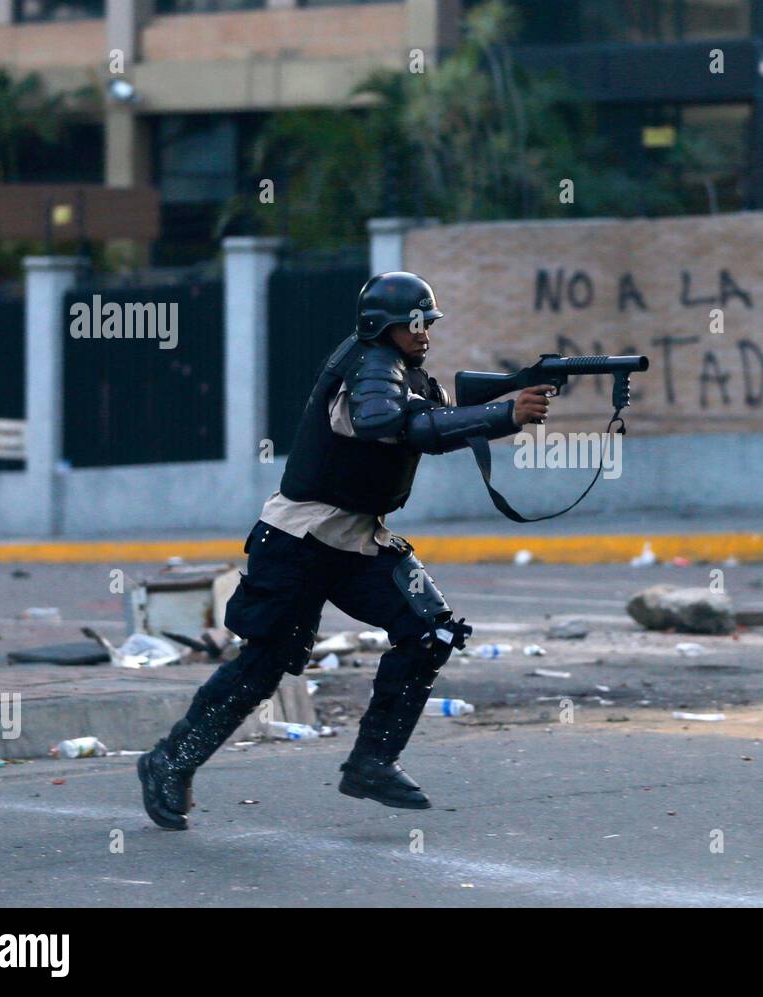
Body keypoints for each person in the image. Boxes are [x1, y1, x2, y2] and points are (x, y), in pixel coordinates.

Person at [138, 272, 555, 828]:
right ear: (383, 326)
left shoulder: (401, 371)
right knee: (262, 665)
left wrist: (504, 402)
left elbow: (431, 423)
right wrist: (505, 415)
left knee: (430, 631)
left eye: (428, 321)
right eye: (415, 322)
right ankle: (171, 760)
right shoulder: (368, 367)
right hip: (300, 539)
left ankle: (372, 762)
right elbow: (386, 422)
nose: (425, 331)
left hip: (359, 538)